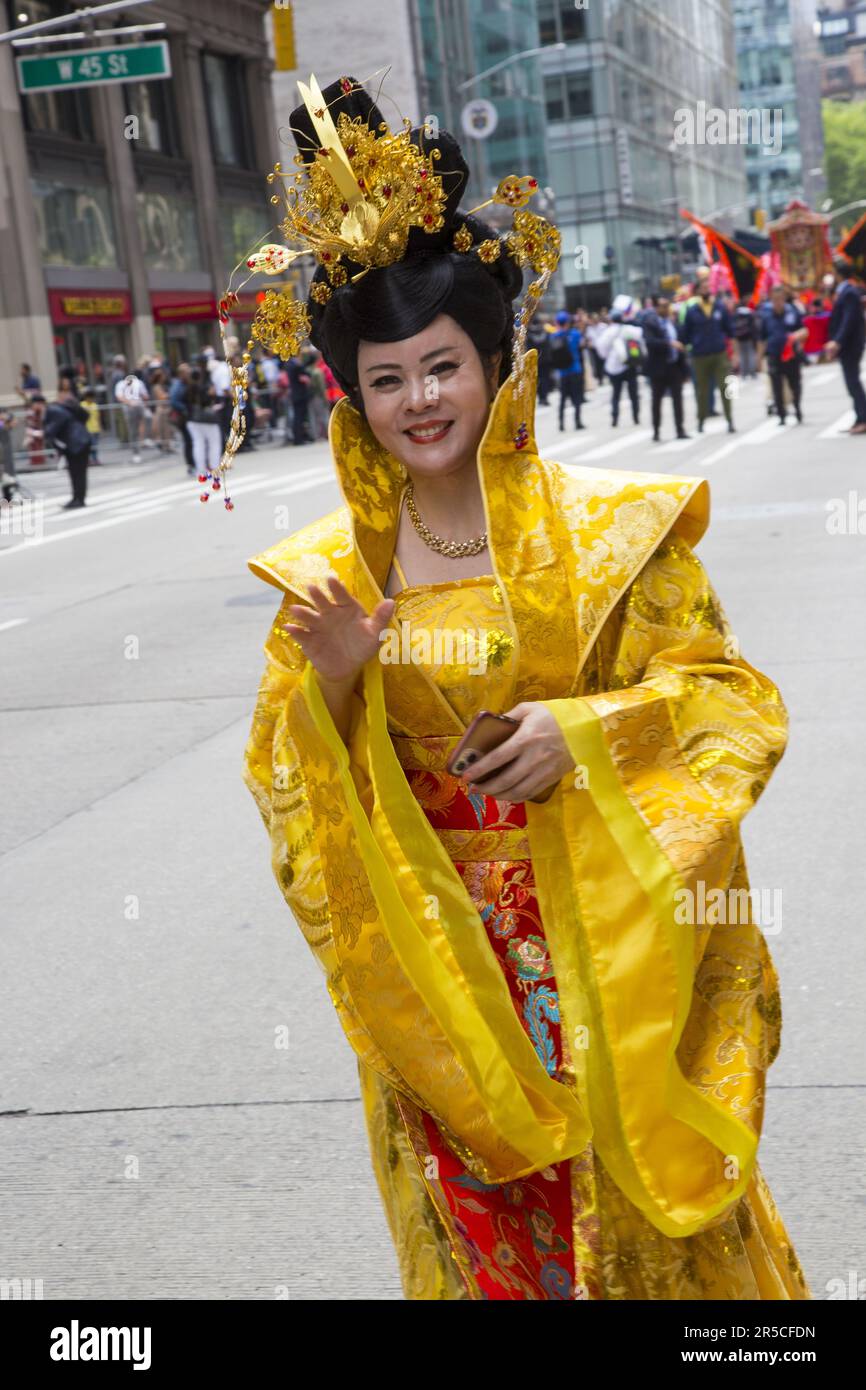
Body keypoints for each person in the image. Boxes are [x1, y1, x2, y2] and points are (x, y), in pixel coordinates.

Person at [238, 74, 811, 1303]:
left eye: (438, 366)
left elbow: (726, 700)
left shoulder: (611, 532)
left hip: (608, 951)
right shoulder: (327, 579)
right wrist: (335, 698)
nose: (418, 403)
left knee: (650, 1245)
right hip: (442, 984)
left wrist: (586, 733)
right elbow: (290, 804)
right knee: (486, 1244)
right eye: (384, 380)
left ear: (493, 360)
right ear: (353, 398)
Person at [680, 281, 736, 433]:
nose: (706, 290)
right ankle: (701, 420)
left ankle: (730, 419)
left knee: (726, 387)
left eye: (707, 287)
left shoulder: (719, 307)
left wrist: (734, 354)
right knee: (702, 391)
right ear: (698, 291)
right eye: (703, 288)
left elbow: (730, 331)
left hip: (719, 353)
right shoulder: (691, 310)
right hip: (700, 356)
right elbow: (685, 335)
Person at [824, 254, 866, 435]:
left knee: (853, 382)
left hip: (850, 345)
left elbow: (848, 320)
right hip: (849, 345)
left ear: (838, 273)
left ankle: (863, 418)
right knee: (851, 382)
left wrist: (837, 341)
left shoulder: (849, 292)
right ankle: (859, 417)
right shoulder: (845, 291)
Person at [642, 296, 690, 442]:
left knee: (678, 399)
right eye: (662, 306)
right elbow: (650, 342)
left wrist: (685, 370)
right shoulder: (650, 323)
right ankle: (656, 430)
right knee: (657, 400)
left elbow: (681, 343)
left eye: (667, 305)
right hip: (658, 368)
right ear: (656, 308)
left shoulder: (672, 323)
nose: (665, 308)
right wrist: (669, 343)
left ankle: (680, 429)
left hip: (674, 366)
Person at [757, 286, 808, 426]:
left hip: (791, 356)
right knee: (776, 387)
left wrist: (795, 336)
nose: (777, 302)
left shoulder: (792, 311)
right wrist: (759, 358)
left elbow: (804, 330)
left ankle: (797, 408)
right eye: (774, 300)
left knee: (795, 385)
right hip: (774, 355)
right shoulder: (766, 315)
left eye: (780, 299)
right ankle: (781, 414)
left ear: (784, 299)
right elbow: (762, 339)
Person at [43, 378, 91, 508]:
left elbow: (51, 430)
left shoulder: (54, 410)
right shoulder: (68, 407)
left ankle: (78, 499)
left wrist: (44, 433)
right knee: (79, 472)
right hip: (82, 440)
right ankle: (78, 498)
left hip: (75, 443)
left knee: (76, 472)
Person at [595, 295, 643, 426]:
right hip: (629, 364)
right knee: (633, 394)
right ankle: (636, 417)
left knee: (616, 394)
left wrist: (607, 357)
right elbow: (640, 335)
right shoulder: (628, 329)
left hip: (614, 367)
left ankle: (615, 419)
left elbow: (601, 348)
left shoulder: (608, 332)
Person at [551, 309, 585, 430]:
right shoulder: (574, 334)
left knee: (563, 399)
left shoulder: (553, 336)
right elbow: (581, 345)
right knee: (576, 397)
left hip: (562, 372)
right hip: (575, 369)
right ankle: (577, 422)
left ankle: (561, 424)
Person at [185, 366, 222, 476]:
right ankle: (214, 467)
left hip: (192, 419)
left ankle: (200, 469)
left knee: (198, 444)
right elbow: (205, 402)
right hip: (206, 419)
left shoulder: (187, 388)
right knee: (214, 443)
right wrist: (211, 395)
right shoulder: (202, 388)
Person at [114, 370, 150, 462]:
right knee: (133, 431)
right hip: (129, 409)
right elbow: (119, 397)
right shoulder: (120, 385)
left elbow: (145, 395)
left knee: (148, 417)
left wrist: (142, 402)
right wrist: (130, 402)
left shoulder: (139, 383)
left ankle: (145, 438)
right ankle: (136, 452)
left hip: (140, 406)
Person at [169, 362, 196, 476]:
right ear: (181, 374)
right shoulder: (178, 385)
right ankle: (191, 465)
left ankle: (196, 463)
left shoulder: (188, 383)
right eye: (186, 372)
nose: (189, 373)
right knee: (188, 440)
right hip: (183, 417)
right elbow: (174, 401)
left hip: (191, 416)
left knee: (194, 440)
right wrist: (185, 409)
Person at [732, 298, 759, 379]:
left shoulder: (736, 313)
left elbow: (733, 326)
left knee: (742, 355)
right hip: (749, 337)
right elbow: (754, 326)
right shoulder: (750, 312)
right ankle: (752, 372)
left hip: (739, 337)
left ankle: (744, 373)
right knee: (751, 354)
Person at [80, 387, 102, 464]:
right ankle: (89, 459)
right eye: (88, 396)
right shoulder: (82, 405)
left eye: (91, 396)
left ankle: (95, 459)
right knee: (90, 445)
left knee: (95, 445)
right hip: (87, 428)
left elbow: (98, 416)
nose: (90, 398)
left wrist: (100, 426)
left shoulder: (95, 405)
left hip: (95, 428)